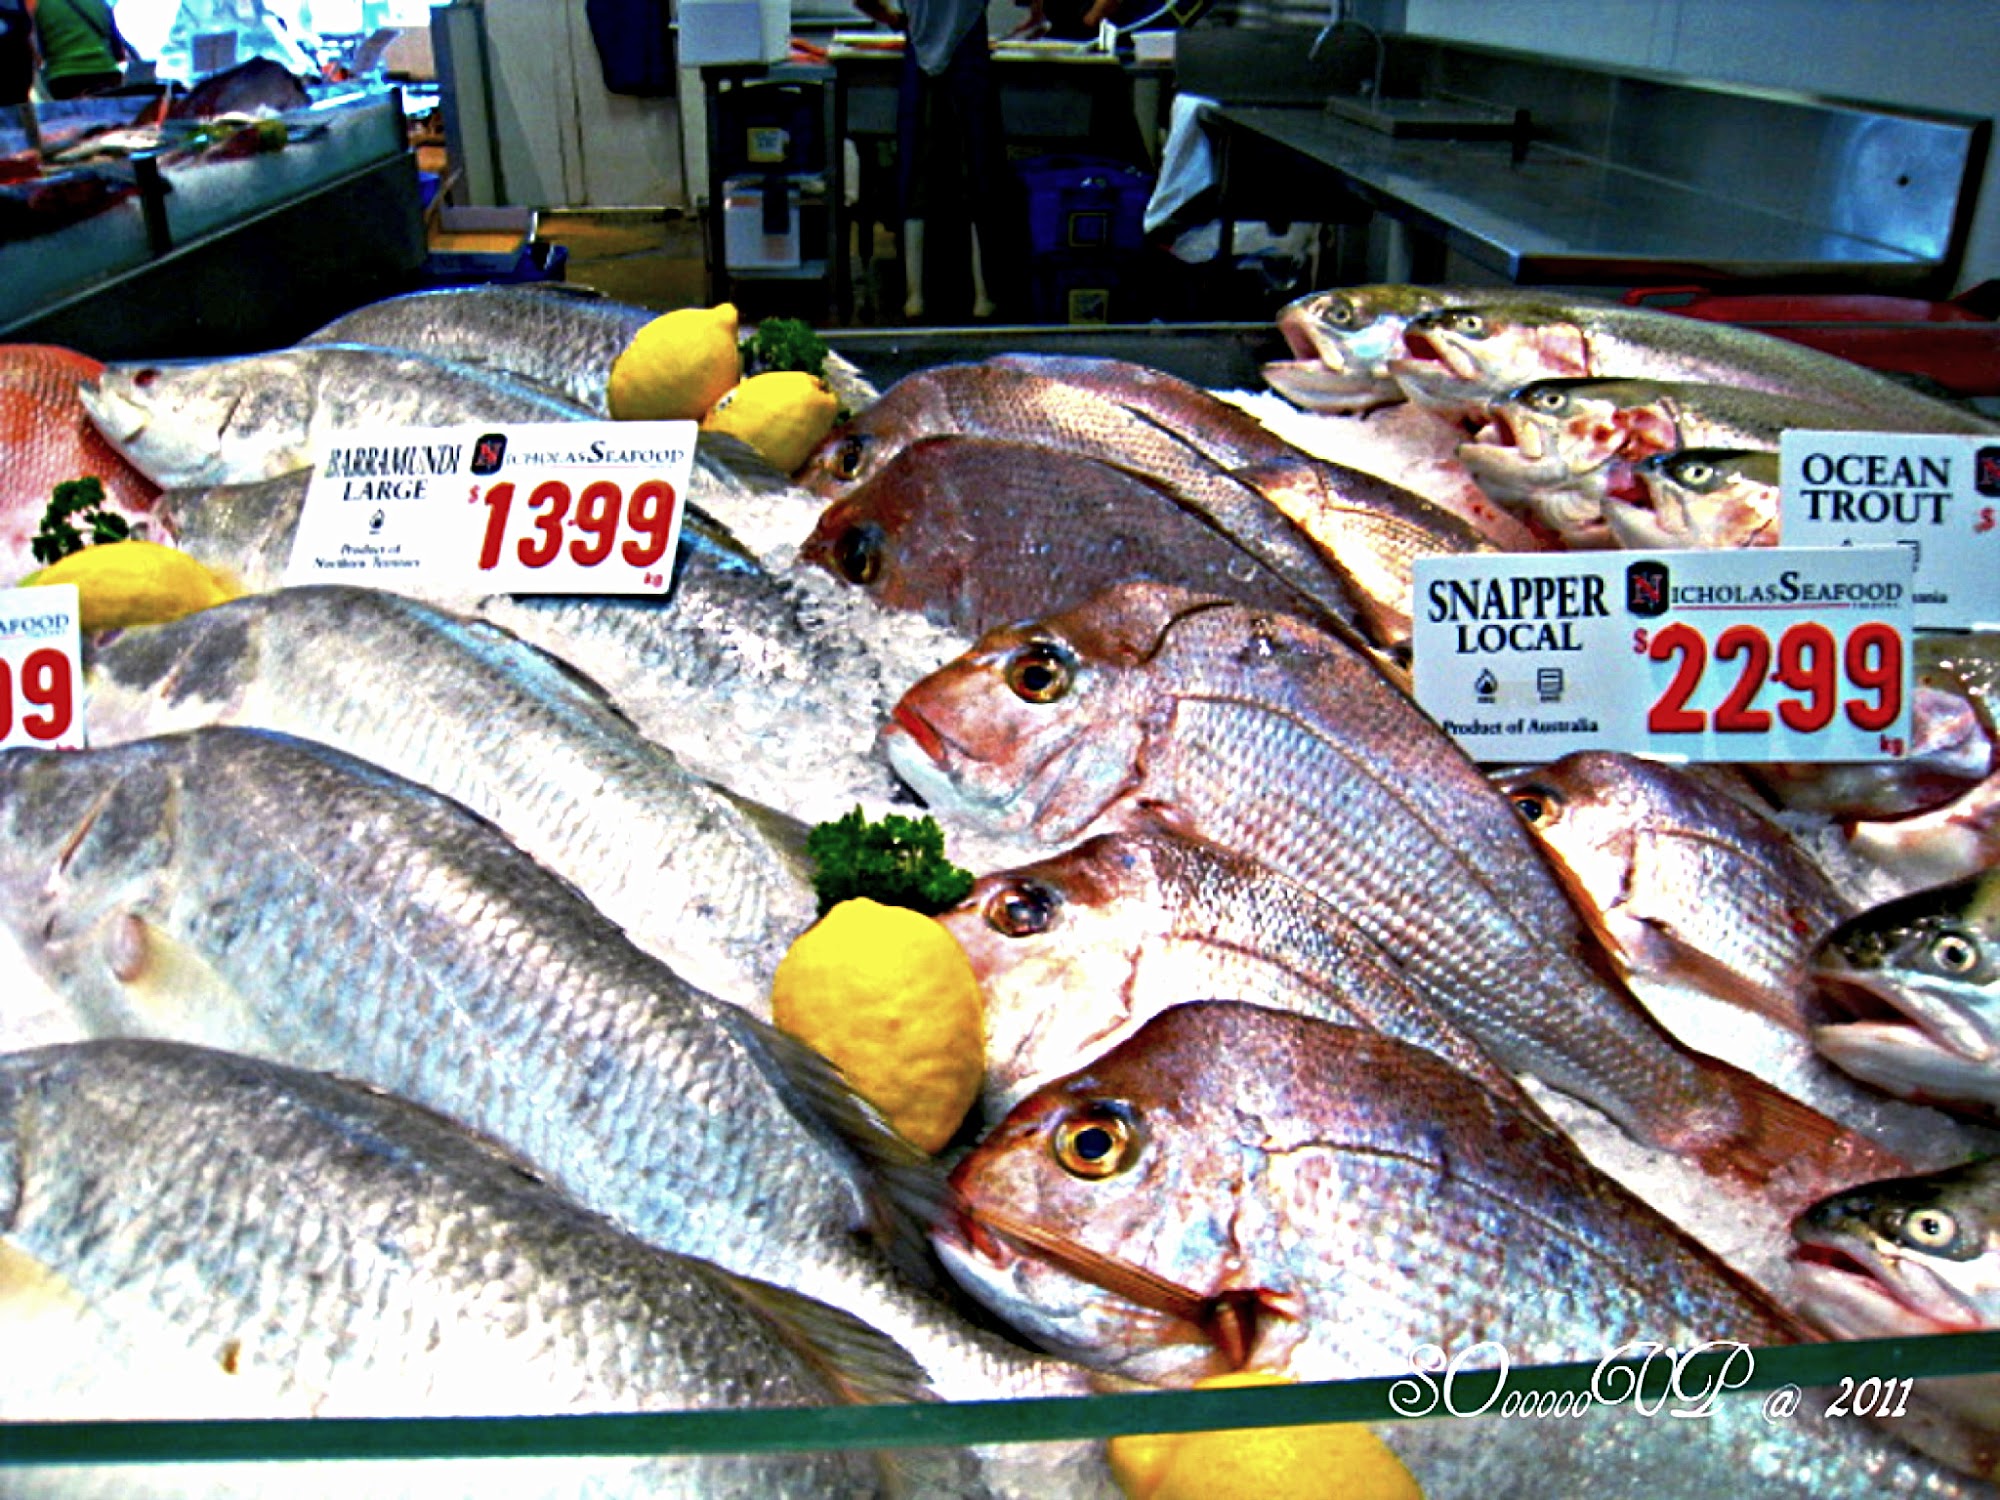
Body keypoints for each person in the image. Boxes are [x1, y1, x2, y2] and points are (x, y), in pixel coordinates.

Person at [854, 0, 1007, 320]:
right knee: (977, 174)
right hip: (969, 56)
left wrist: (894, 18)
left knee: (916, 174)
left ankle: (915, 297)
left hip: (919, 57)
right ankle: (984, 297)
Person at [33, 0, 130, 98]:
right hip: (106, 74)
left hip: (64, 78)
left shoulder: (39, 4)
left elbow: (38, 51)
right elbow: (119, 54)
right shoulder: (100, 3)